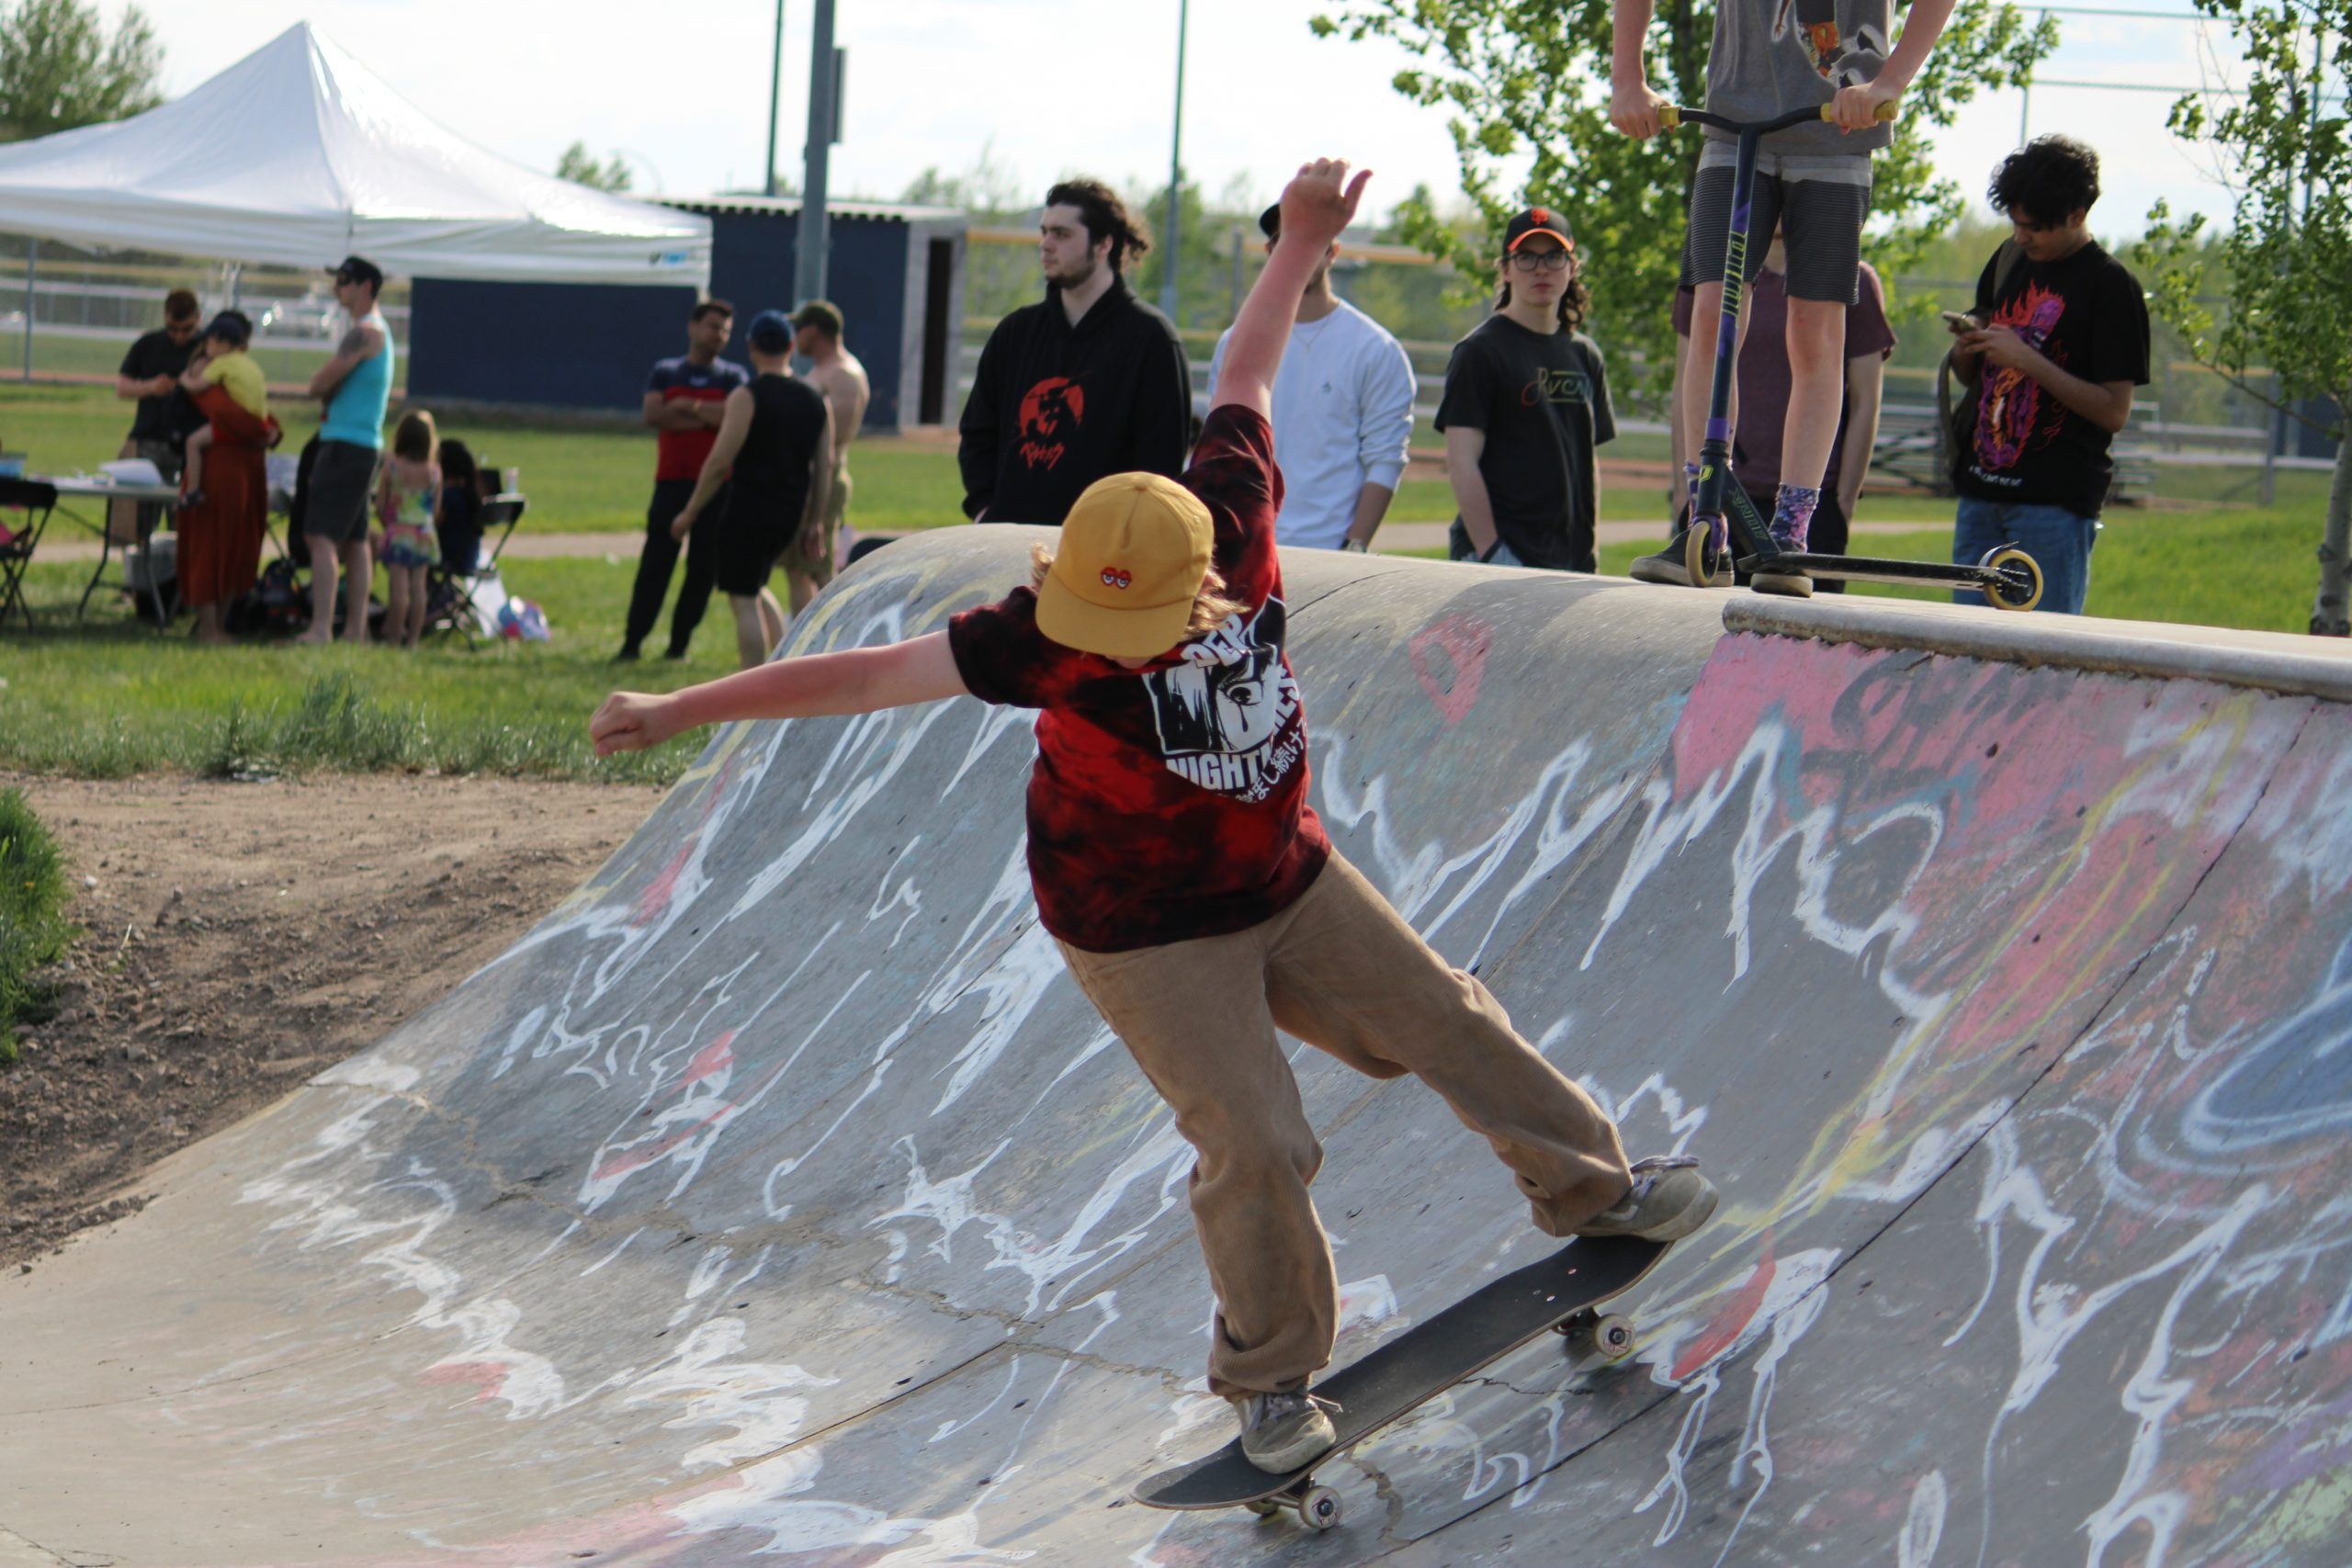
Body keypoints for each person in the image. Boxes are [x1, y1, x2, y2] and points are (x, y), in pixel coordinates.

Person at [592, 157, 1718, 1477]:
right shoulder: (1036, 634)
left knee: (1447, 1015)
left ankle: (1597, 1187)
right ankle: (1271, 1378)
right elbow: (859, 672)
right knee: (1256, 1133)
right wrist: (683, 705)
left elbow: (1244, 369)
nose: (1106, 645)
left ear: (1209, 575)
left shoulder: (1233, 517)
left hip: (1284, 877)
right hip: (1141, 928)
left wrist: (1300, 242)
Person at [1611, 0, 1953, 596]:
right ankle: (1704, 518)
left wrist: (1889, 79)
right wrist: (1628, 80)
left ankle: (1791, 533)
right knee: (1714, 317)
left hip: (1837, 132)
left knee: (1812, 331)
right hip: (1731, 124)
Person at [1948, 137, 2148, 615]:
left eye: (2034, 227)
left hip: (2053, 507)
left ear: (2078, 214)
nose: (2021, 236)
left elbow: (2114, 411)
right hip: (1980, 496)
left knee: (2039, 658)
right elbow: (1966, 376)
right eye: (2015, 223)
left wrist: (2028, 361)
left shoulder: (2111, 287)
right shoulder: (2009, 260)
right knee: (1962, 652)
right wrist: (1967, 345)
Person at [1634, 231, 1896, 589]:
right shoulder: (1711, 272)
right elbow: (1685, 382)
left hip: (1811, 506)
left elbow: (1867, 401)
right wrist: (1685, 490)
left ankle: (1796, 522)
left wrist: (1845, 498)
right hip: (1724, 493)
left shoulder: (1852, 278)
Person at [957, 179, 1191, 525]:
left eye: (1062, 234)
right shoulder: (1015, 333)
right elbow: (978, 433)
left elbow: (1160, 465)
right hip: (1008, 544)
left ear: (1103, 244)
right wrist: (986, 510)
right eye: (1045, 232)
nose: (1046, 245)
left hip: (1102, 555)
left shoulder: (1151, 340)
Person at [1205, 202, 1416, 552]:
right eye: (1287, 241)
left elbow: (1385, 459)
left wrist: (1354, 548)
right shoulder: (1237, 341)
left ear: (1332, 251)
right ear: (1271, 251)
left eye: (1311, 240)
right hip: (1246, 547)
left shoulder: (1375, 348)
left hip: (1327, 551)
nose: (1298, 252)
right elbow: (1221, 445)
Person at [1434, 208, 1617, 570]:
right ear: (1505, 269)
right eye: (1526, 257)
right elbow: (1461, 462)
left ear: (1572, 266)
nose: (1541, 269)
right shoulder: (1479, 351)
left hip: (1569, 560)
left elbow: (1587, 461)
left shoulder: (1585, 355)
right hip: (1499, 555)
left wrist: (1588, 545)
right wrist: (1492, 552)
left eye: (1553, 256)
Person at [670, 310, 832, 671]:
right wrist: (815, 522)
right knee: (756, 586)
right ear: (791, 347)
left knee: (743, 599)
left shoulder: (747, 395)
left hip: (748, 509)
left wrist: (690, 512)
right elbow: (824, 467)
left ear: (751, 347)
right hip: (790, 511)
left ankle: (754, 683)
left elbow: (718, 462)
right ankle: (784, 667)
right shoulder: (816, 398)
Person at [619, 300, 748, 660]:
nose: (719, 336)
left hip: (717, 486)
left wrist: (688, 408)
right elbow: (654, 414)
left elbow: (734, 418)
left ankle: (678, 646)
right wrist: (709, 418)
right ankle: (633, 642)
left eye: (725, 330)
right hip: (672, 482)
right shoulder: (666, 371)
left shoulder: (733, 377)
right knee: (655, 565)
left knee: (702, 570)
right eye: (712, 327)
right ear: (692, 327)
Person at [301, 255, 395, 645]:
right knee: (355, 541)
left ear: (366, 287)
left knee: (319, 536)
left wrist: (321, 386)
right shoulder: (374, 330)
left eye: (344, 281)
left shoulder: (366, 332)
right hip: (361, 445)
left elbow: (321, 380)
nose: (337, 288)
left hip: (346, 444)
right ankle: (356, 631)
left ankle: (321, 628)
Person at [172, 311, 276, 645]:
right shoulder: (209, 388)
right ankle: (209, 628)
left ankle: (218, 626)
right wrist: (261, 431)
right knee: (210, 548)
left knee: (236, 550)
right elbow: (249, 423)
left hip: (244, 472)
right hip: (220, 472)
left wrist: (264, 430)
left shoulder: (227, 376)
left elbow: (257, 421)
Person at [791, 300, 870, 604]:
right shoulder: (825, 370)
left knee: (815, 566)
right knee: (804, 568)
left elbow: (829, 439)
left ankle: (828, 642)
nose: (795, 338)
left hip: (823, 480)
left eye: (798, 329)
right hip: (814, 479)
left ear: (812, 331)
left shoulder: (842, 374)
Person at [111, 288, 202, 546]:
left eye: (187, 329)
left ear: (199, 318)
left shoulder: (207, 348)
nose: (180, 336)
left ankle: (176, 584)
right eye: (173, 329)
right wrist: (150, 387)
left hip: (189, 448)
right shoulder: (148, 344)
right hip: (149, 441)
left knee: (184, 526)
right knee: (140, 525)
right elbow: (122, 387)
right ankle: (139, 582)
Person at [173, 314, 268, 513]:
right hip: (258, 421)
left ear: (223, 343)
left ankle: (193, 491)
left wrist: (183, 380)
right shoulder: (249, 364)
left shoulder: (221, 363)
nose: (207, 346)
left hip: (236, 423)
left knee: (193, 442)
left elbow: (198, 387)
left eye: (210, 341)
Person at [375, 410, 442, 649]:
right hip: (424, 533)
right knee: (419, 589)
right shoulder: (434, 472)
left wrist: (387, 525)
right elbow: (435, 509)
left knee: (399, 590)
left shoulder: (392, 466)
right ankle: (413, 639)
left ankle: (393, 637)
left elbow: (380, 505)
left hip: (399, 532)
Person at [435, 438, 482, 577]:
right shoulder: (471, 494)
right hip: (469, 558)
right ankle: (441, 592)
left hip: (450, 558)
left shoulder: (449, 496)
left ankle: (437, 593)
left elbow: (434, 523)